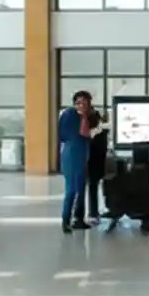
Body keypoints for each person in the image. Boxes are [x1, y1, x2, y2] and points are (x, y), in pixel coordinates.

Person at [58, 91, 93, 233]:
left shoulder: (88, 117)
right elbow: (62, 135)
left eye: (85, 103)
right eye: (79, 103)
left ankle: (79, 219)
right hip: (71, 155)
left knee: (81, 188)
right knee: (71, 190)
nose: (82, 105)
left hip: (83, 155)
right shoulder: (68, 115)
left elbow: (91, 135)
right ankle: (65, 220)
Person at [75, 110, 110, 224]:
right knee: (92, 188)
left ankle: (79, 214)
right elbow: (103, 149)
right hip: (96, 165)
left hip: (85, 164)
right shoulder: (101, 133)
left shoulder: (85, 134)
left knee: (82, 189)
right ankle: (93, 213)